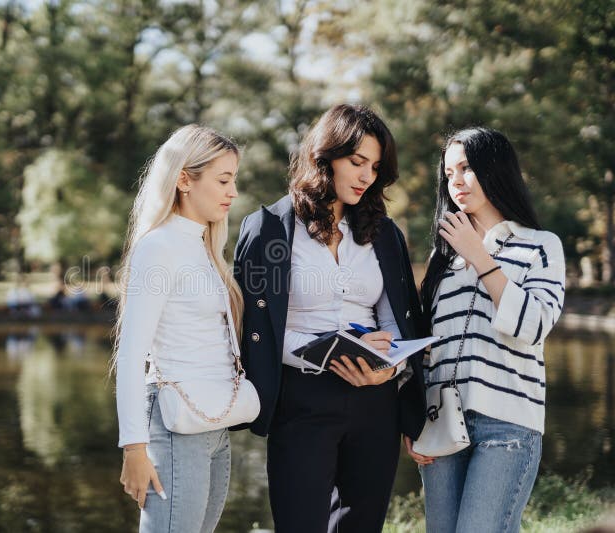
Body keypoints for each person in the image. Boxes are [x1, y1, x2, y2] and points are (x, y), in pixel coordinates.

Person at [234, 104, 427, 533]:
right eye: (357, 162)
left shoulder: (385, 233)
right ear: (326, 157)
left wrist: (389, 367)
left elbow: (395, 318)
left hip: (376, 402)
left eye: (374, 167)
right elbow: (255, 329)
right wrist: (325, 351)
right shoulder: (268, 229)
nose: (366, 176)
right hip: (301, 400)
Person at [406, 127, 566, 533]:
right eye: (448, 173)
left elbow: (532, 326)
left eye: (466, 168)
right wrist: (413, 419)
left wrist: (479, 256)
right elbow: (429, 348)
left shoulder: (541, 245)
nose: (456, 181)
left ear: (496, 169)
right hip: (441, 425)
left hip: (506, 426)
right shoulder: (442, 258)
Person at [114, 124, 242, 532]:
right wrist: (134, 448)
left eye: (233, 180)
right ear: (184, 180)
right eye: (223, 180)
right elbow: (131, 355)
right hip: (175, 427)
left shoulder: (205, 248)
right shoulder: (158, 247)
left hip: (215, 424)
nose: (233, 192)